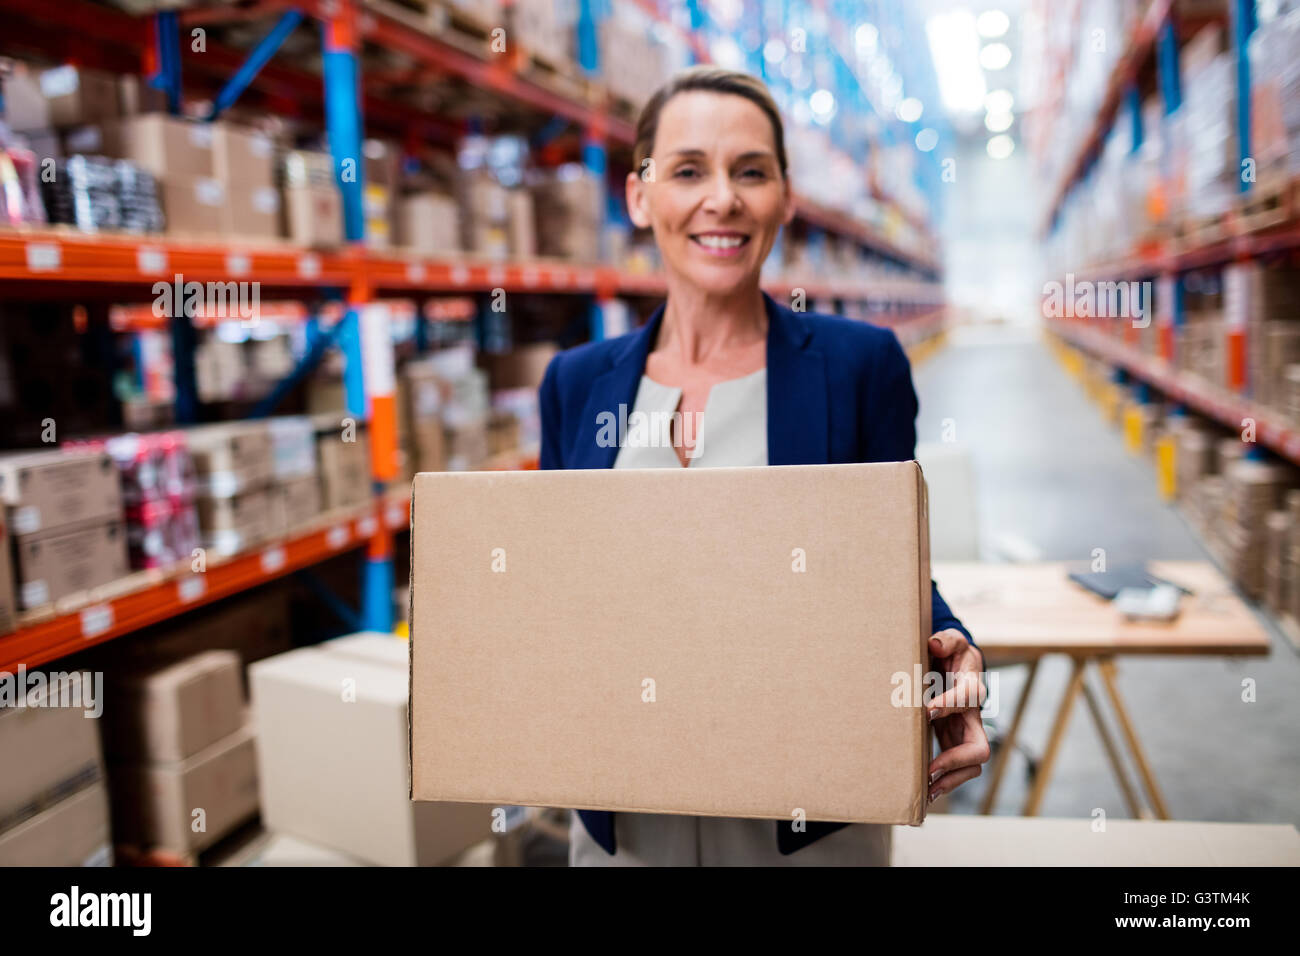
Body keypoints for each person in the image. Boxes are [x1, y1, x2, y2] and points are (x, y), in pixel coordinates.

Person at [539, 65, 988, 866]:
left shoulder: (859, 366)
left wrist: (948, 647)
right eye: (687, 170)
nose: (724, 199)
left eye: (752, 171)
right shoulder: (577, 384)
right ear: (639, 197)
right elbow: (560, 586)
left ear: (785, 197)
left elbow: (889, 569)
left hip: (806, 813)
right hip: (628, 812)